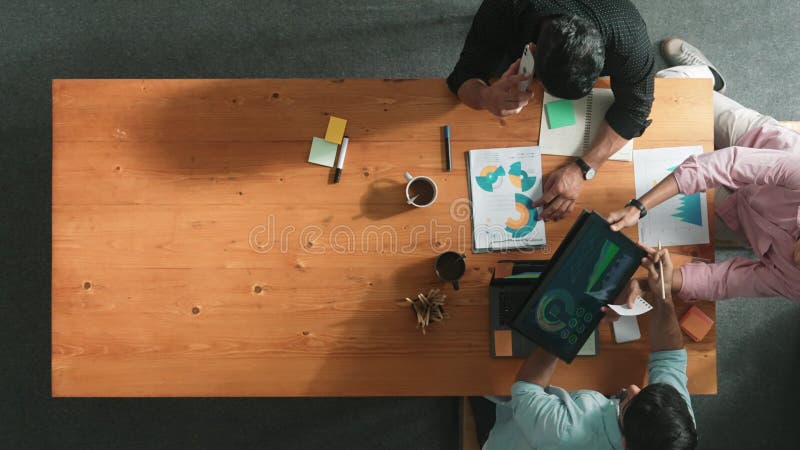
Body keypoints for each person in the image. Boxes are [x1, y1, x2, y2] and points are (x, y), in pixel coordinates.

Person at [606, 38, 800, 302]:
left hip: (743, 217)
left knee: (664, 233)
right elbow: (730, 164)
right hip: (755, 145)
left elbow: (724, 282)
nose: (796, 258)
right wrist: (638, 207)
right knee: (668, 86)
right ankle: (709, 77)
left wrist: (651, 284)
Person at [447, 0, 660, 222]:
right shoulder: (504, 7)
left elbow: (636, 108)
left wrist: (584, 168)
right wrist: (486, 96)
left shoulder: (629, 35)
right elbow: (461, 77)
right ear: (531, 49)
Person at [470, 248, 697, 450]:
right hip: (551, 418)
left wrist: (570, 326)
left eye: (632, 402)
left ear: (626, 444)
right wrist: (662, 293)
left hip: (517, 432)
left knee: (476, 382)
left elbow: (525, 389)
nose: (634, 388)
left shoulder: (564, 431)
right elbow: (669, 358)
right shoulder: (674, 432)